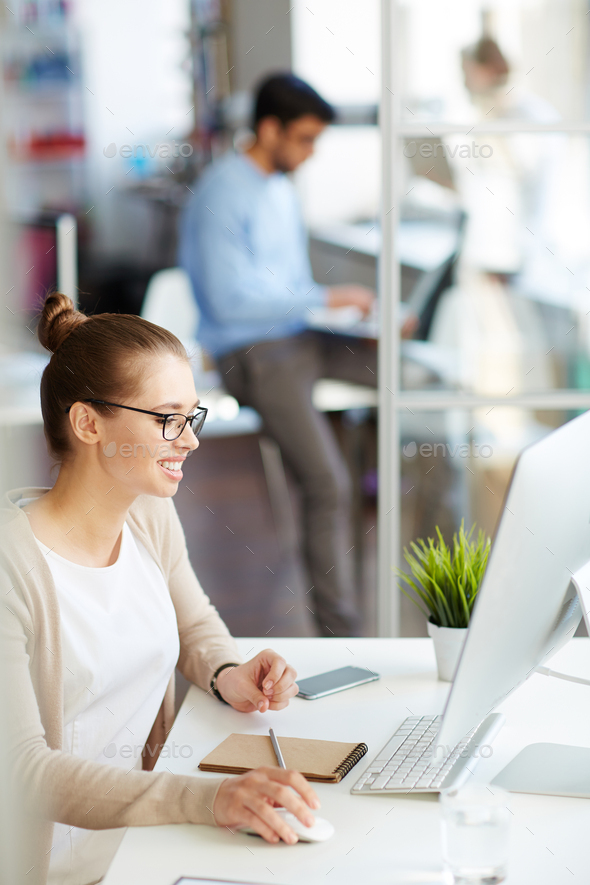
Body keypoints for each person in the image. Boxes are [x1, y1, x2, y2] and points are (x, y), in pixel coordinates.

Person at [0, 293, 321, 885]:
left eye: (193, 416)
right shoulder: (12, 570)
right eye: (167, 418)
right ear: (88, 422)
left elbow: (194, 623)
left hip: (145, 845)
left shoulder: (146, 513)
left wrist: (230, 674)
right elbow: (23, 773)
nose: (190, 441)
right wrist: (207, 799)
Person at [179, 72, 377, 638]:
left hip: (301, 336)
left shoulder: (281, 188)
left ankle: (461, 599)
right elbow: (229, 300)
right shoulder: (223, 191)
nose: (311, 153)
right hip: (254, 352)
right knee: (327, 483)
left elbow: (288, 289)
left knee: (417, 374)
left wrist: (353, 316)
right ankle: (344, 638)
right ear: (270, 129)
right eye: (306, 139)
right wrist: (324, 297)